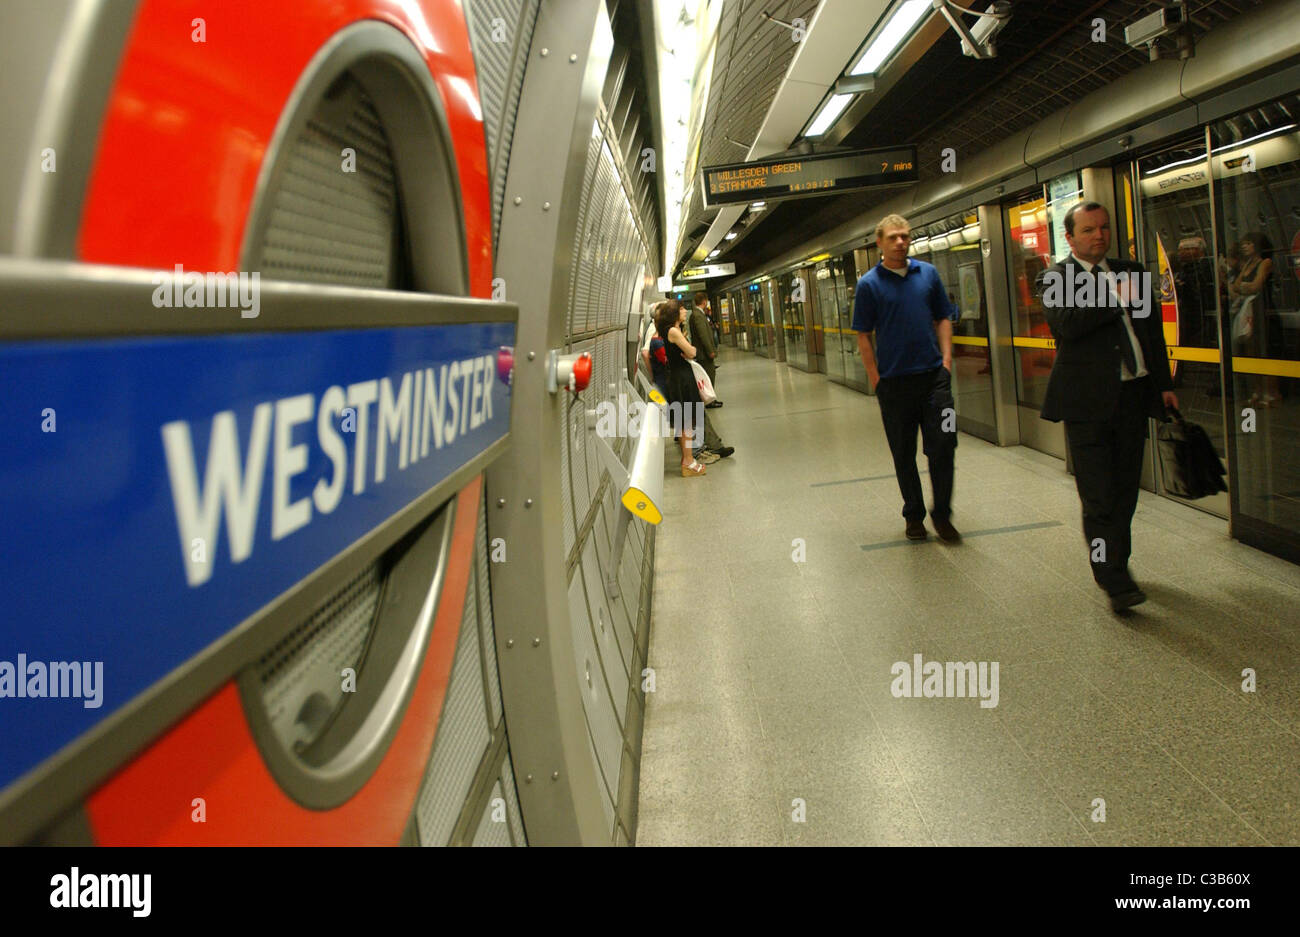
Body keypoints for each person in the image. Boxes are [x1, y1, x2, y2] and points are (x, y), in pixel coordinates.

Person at [1039, 201, 1177, 613]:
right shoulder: (1055, 277)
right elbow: (1067, 324)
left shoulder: (1132, 272)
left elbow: (1150, 330)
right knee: (1097, 496)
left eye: (1104, 228)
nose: (1099, 235)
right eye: (1088, 230)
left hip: (1133, 395)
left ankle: (1119, 561)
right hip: (1086, 403)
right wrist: (1111, 297)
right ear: (1070, 238)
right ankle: (1112, 577)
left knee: (1124, 491)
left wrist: (1165, 384)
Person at [852, 213, 960, 543]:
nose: (901, 242)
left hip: (934, 380)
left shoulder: (928, 274)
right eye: (893, 237)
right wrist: (876, 380)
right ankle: (914, 515)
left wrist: (946, 361)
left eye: (905, 235)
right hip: (894, 384)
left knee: (944, 446)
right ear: (879, 243)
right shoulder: (869, 284)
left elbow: (943, 317)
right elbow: (863, 335)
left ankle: (942, 513)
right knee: (903, 452)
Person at [651, 300, 707, 477]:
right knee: (687, 420)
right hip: (682, 378)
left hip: (678, 377)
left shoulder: (672, 330)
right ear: (674, 313)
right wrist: (690, 349)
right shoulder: (674, 331)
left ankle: (688, 459)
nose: (685, 312)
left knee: (686, 420)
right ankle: (688, 461)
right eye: (682, 309)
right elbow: (691, 352)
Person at [1229, 231, 1280, 406]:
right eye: (1244, 243)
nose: (1245, 246)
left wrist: (1245, 287)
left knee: (1265, 351)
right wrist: (1246, 287)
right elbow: (1237, 286)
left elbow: (1257, 285)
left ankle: (1271, 392)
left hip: (1262, 309)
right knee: (1252, 351)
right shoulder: (1247, 264)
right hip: (1249, 310)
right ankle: (1257, 390)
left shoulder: (1265, 262)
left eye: (1249, 243)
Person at [687, 292, 735, 461]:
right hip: (698, 360)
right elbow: (703, 336)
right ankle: (703, 447)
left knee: (693, 411)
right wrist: (710, 350)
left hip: (685, 372)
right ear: (705, 301)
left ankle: (707, 445)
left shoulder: (697, 316)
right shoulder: (697, 316)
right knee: (706, 382)